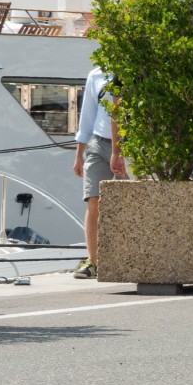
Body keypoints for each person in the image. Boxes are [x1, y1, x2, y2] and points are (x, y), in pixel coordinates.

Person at [72, 66, 125, 279]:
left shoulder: (135, 69)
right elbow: (88, 114)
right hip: (98, 142)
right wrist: (79, 154)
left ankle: (125, 257)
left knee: (129, 200)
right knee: (93, 198)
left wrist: (118, 152)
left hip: (128, 146)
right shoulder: (96, 74)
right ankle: (93, 261)